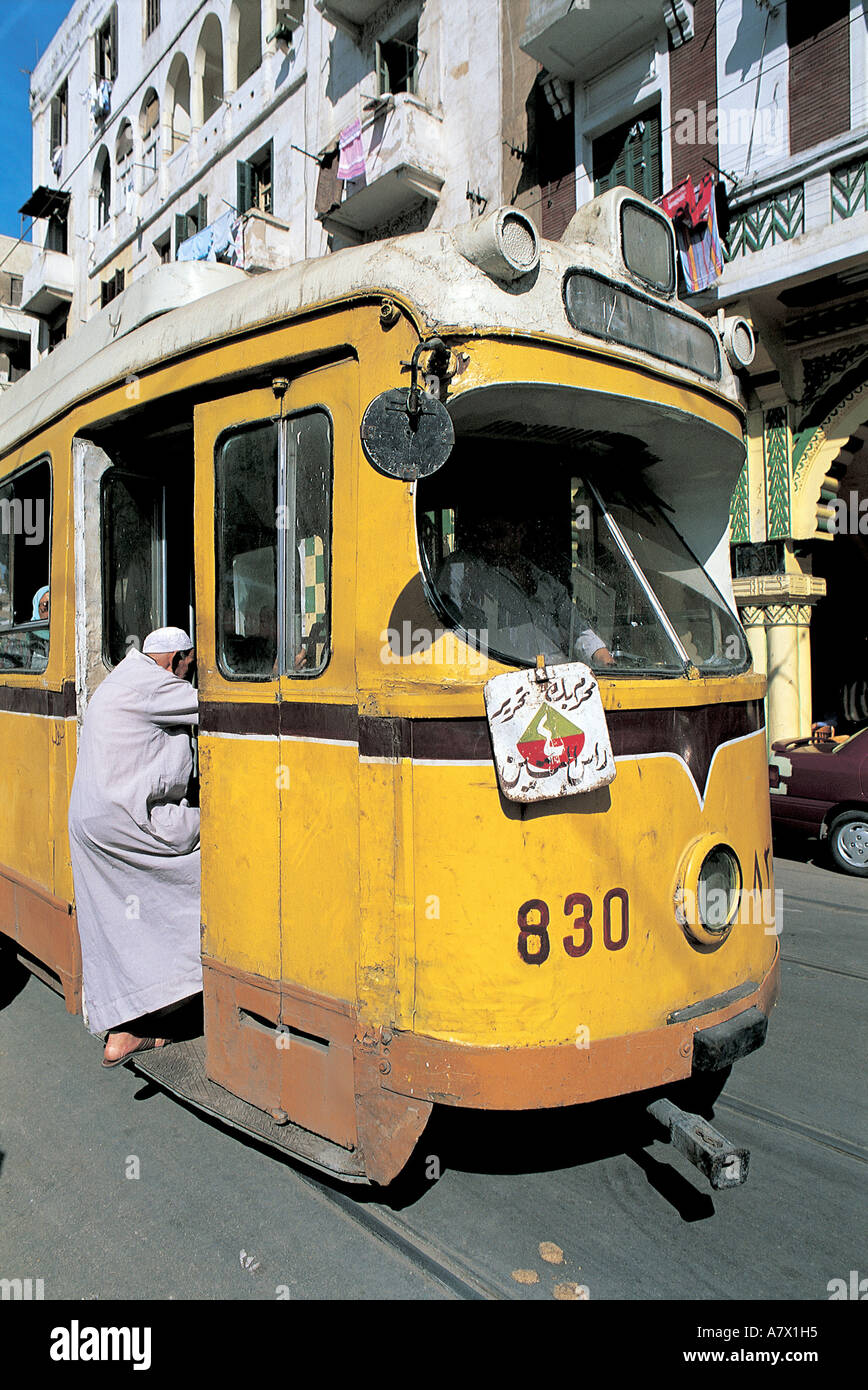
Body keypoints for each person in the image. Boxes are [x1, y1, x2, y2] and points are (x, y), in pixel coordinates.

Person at [67, 626, 202, 1067]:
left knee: (125, 922)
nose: (190, 673)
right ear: (174, 659)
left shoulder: (122, 677)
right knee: (206, 878)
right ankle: (140, 1023)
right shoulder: (154, 684)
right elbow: (219, 705)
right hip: (124, 822)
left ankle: (120, 1029)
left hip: (91, 821)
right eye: (190, 665)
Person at [436, 512, 614, 667]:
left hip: (559, 678)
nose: (489, 544)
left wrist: (605, 660)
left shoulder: (544, 581)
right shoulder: (462, 568)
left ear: (520, 532)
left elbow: (577, 629)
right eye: (485, 536)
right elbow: (448, 627)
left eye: (498, 535)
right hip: (504, 675)